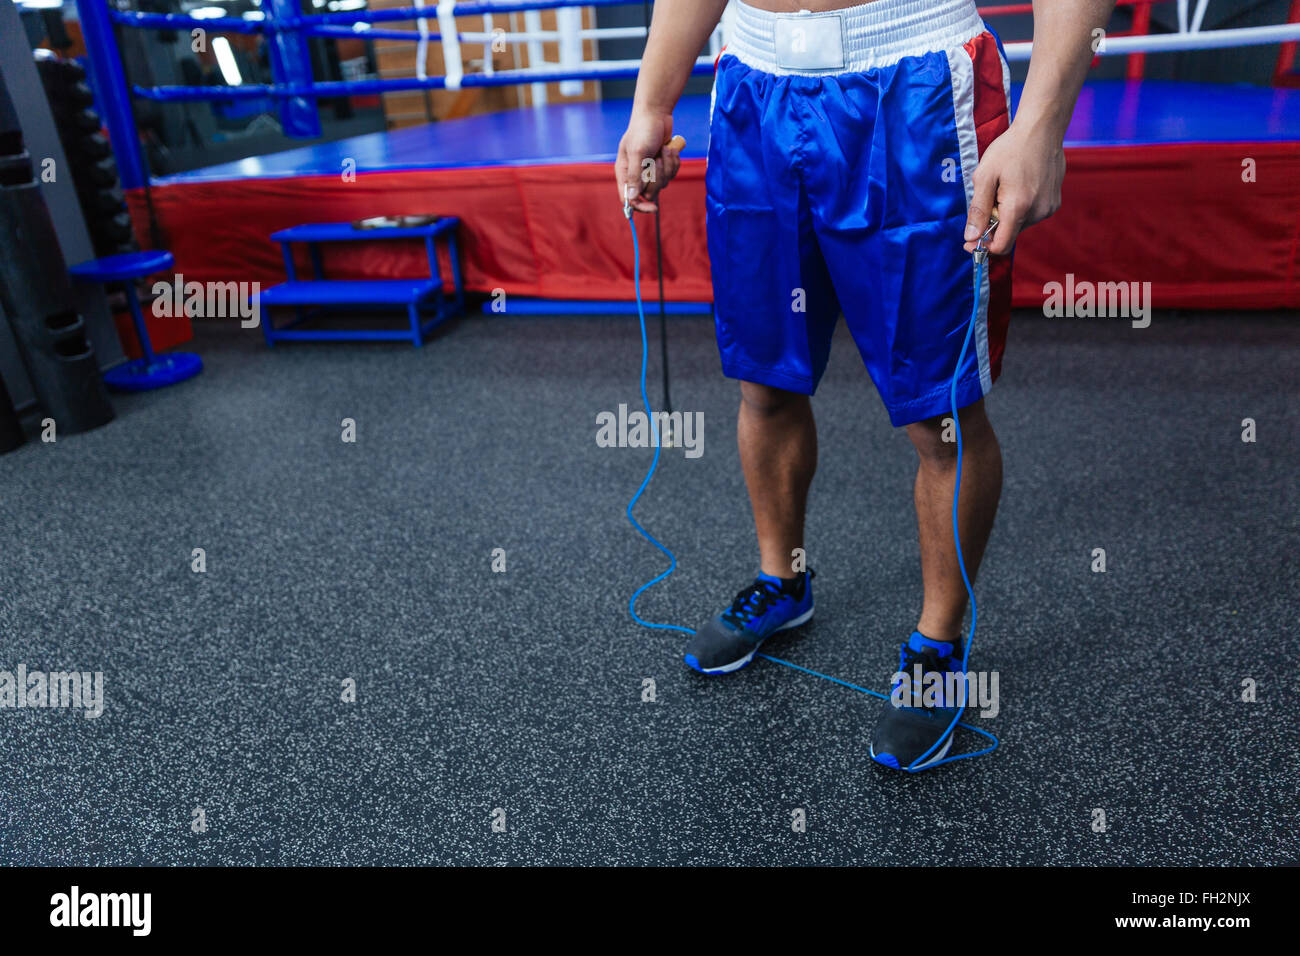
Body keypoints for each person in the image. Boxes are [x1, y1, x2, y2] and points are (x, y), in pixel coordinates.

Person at [615, 0, 1113, 770]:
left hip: (913, 79)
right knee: (764, 382)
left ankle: (938, 645)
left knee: (938, 415)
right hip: (755, 87)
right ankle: (783, 578)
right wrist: (652, 101)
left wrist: (1043, 123)